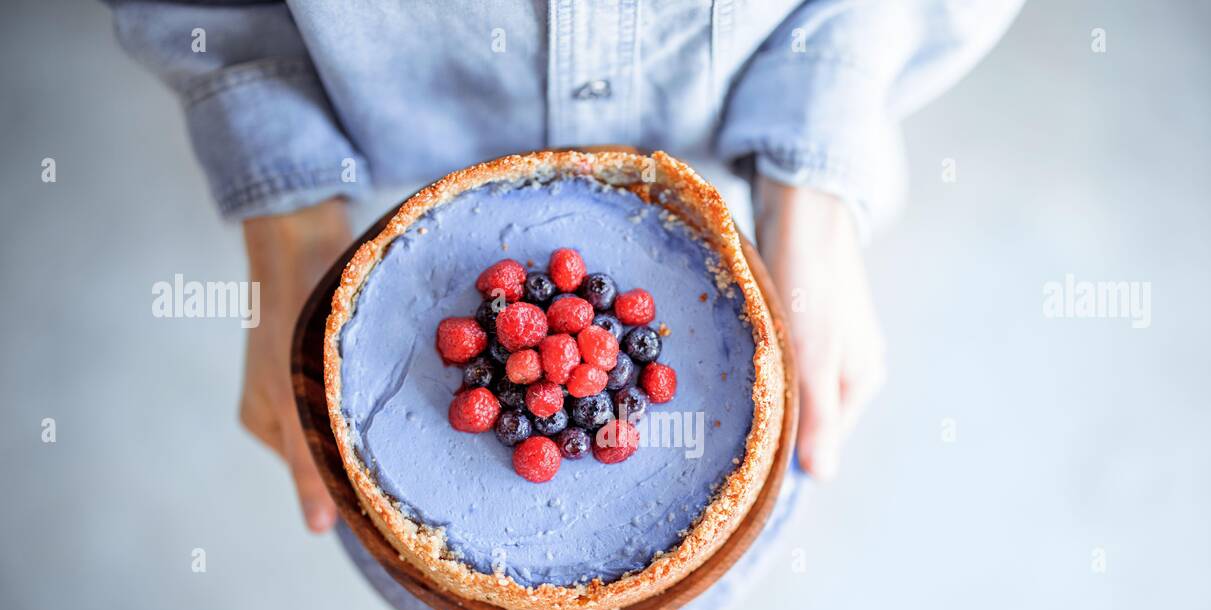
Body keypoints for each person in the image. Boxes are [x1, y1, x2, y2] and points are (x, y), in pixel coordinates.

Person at [110, 0, 1023, 534]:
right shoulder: (523, 361)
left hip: (726, 136)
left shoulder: (569, 361)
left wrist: (815, 178)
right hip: (381, 160)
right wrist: (293, 214)